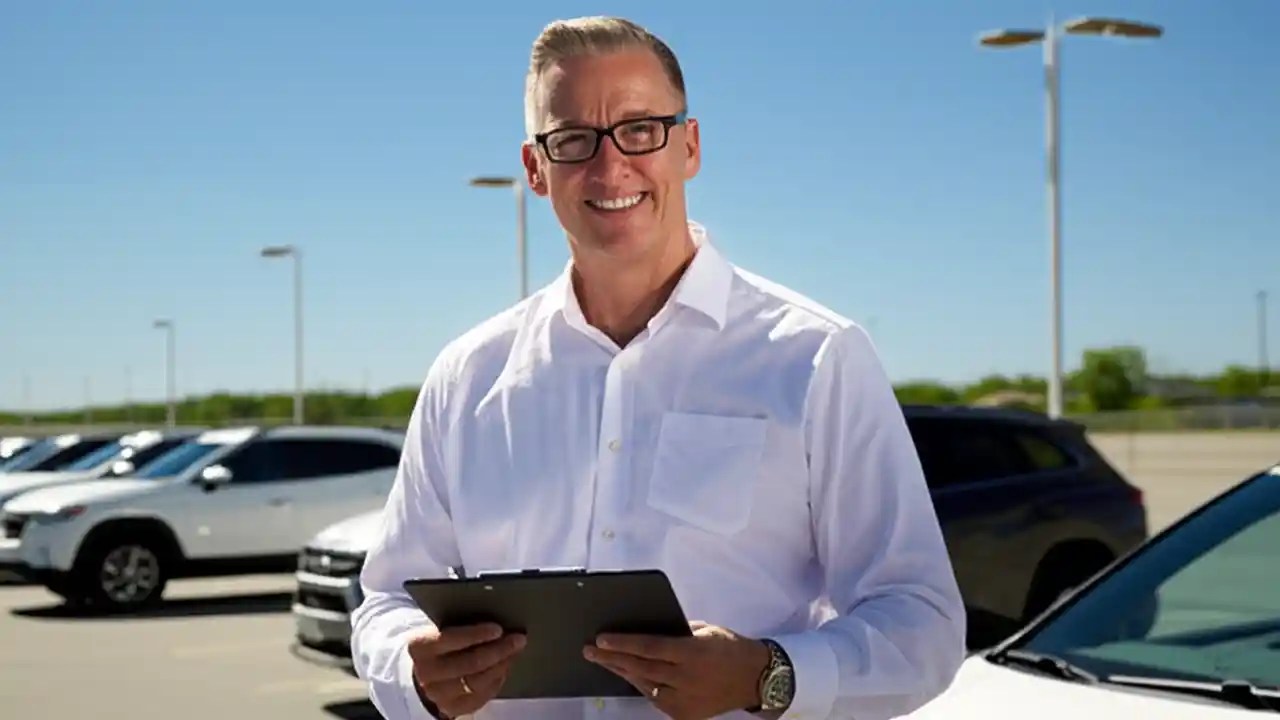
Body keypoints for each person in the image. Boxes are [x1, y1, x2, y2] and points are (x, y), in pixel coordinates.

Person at [351, 15, 966, 720]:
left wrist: (765, 675)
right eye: (574, 140)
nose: (611, 167)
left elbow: (922, 623)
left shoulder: (816, 356)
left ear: (690, 145)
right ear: (535, 170)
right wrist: (414, 672)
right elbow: (386, 601)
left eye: (641, 129)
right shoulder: (468, 378)